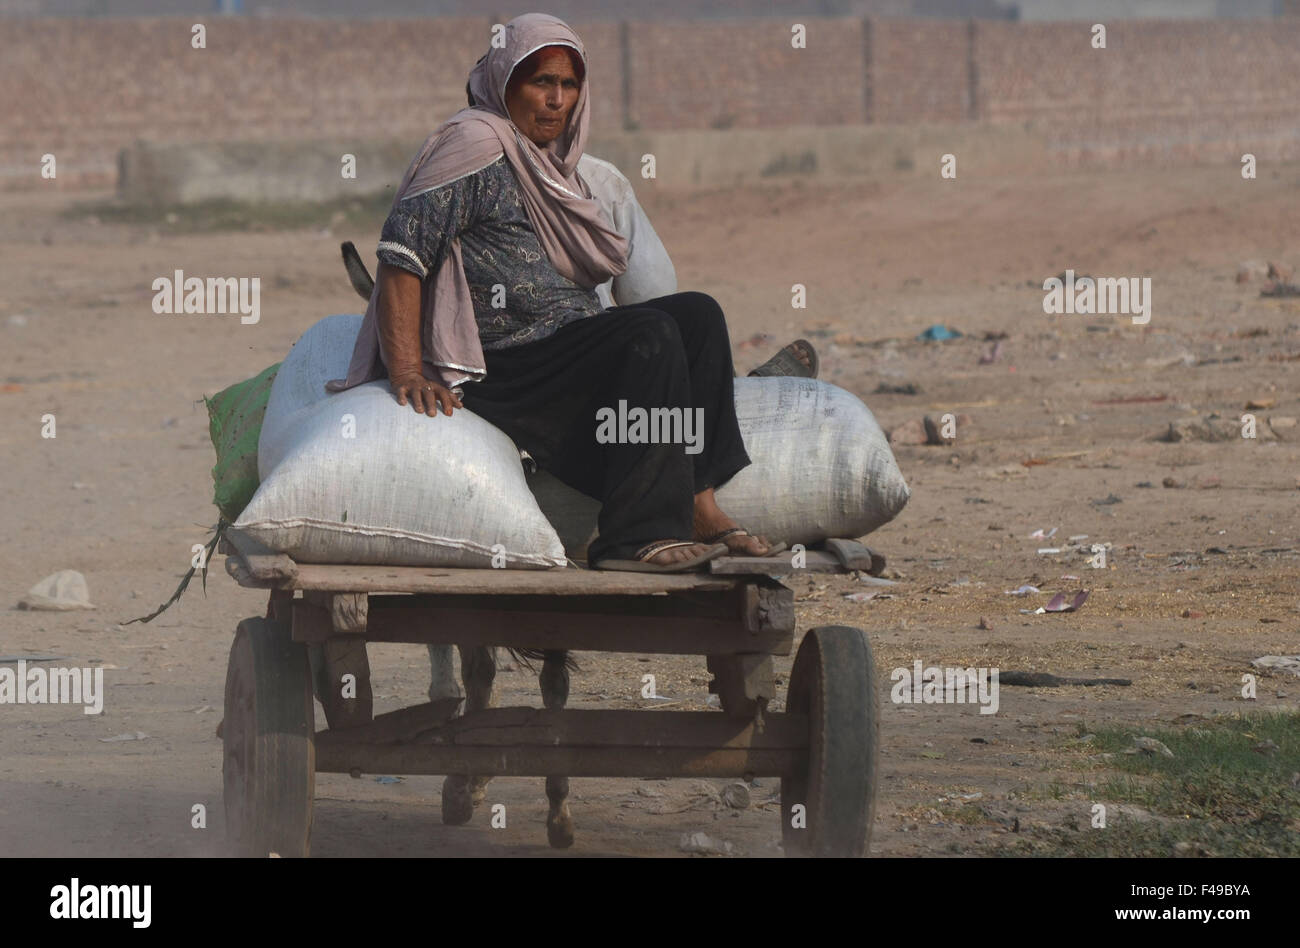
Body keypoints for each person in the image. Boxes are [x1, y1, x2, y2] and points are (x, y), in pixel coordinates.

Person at [327, 13, 786, 572]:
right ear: (505, 84)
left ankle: (697, 499)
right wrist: (406, 373)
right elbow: (402, 258)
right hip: (505, 363)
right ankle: (633, 537)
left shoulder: (552, 164)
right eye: (541, 82)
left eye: (568, 86)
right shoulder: (472, 144)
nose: (556, 100)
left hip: (565, 346)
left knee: (698, 314)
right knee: (649, 331)